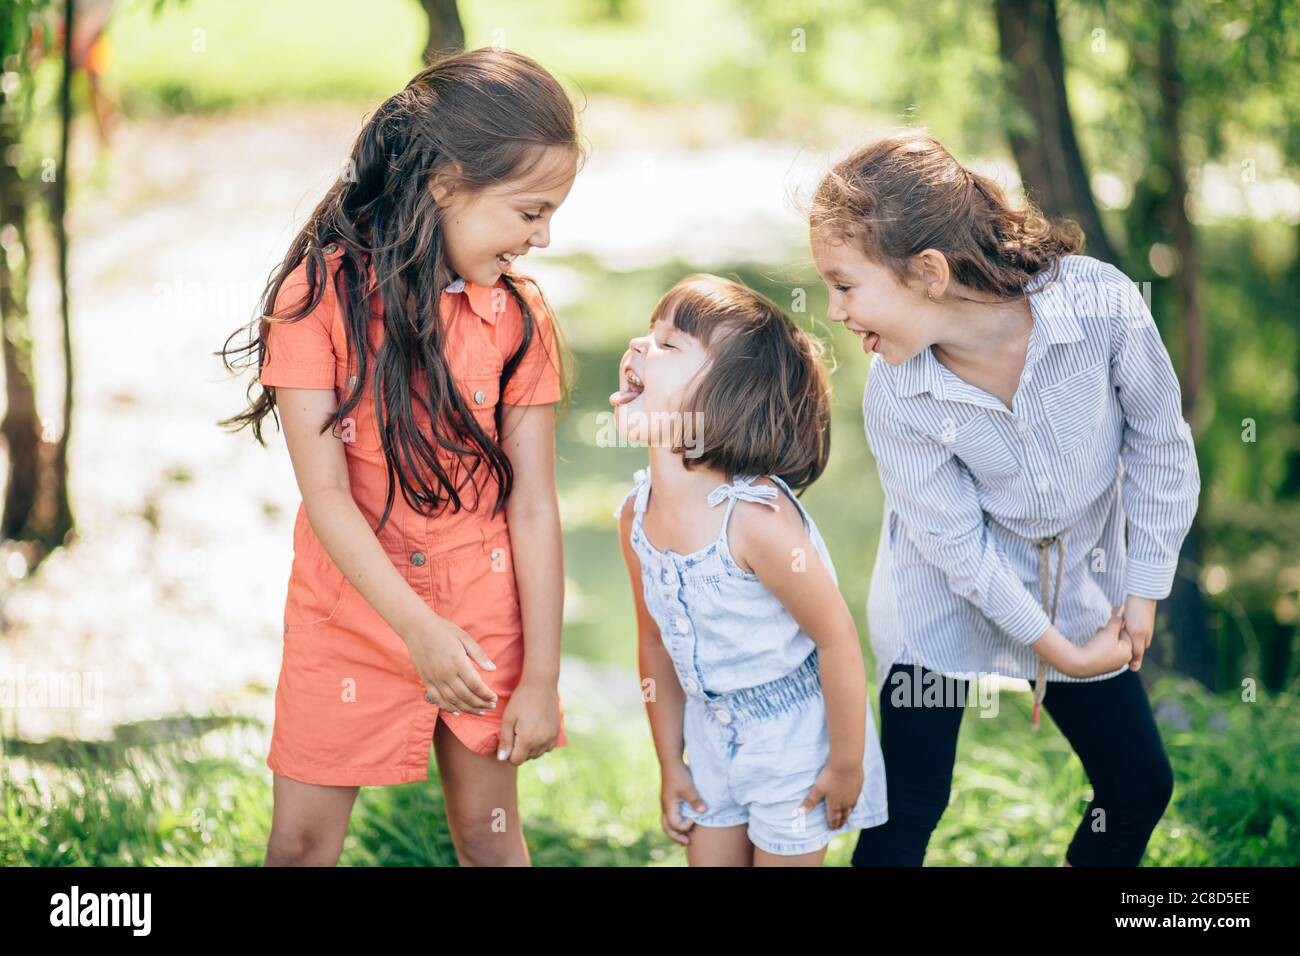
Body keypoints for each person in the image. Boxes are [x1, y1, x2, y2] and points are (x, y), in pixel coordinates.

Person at [219, 48, 582, 866]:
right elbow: (328, 499)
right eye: (530, 211)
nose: (544, 237)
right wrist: (416, 628)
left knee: (491, 841)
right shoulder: (316, 300)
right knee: (302, 845)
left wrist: (540, 678)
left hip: (483, 613)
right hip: (347, 610)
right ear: (447, 182)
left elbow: (532, 504)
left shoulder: (519, 320)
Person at [809, 130, 1199, 866]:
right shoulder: (899, 393)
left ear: (927, 271)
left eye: (845, 284)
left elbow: (1161, 445)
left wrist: (1142, 592)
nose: (832, 311)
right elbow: (956, 546)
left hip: (1075, 582)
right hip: (945, 588)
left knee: (1138, 786)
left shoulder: (1101, 306)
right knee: (911, 806)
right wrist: (1063, 657)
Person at [612, 274, 889, 866]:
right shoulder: (635, 516)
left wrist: (846, 762)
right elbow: (655, 643)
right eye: (647, 334)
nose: (638, 346)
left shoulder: (755, 520)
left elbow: (836, 638)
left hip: (793, 744)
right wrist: (671, 762)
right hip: (711, 736)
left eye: (668, 345)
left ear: (723, 396)